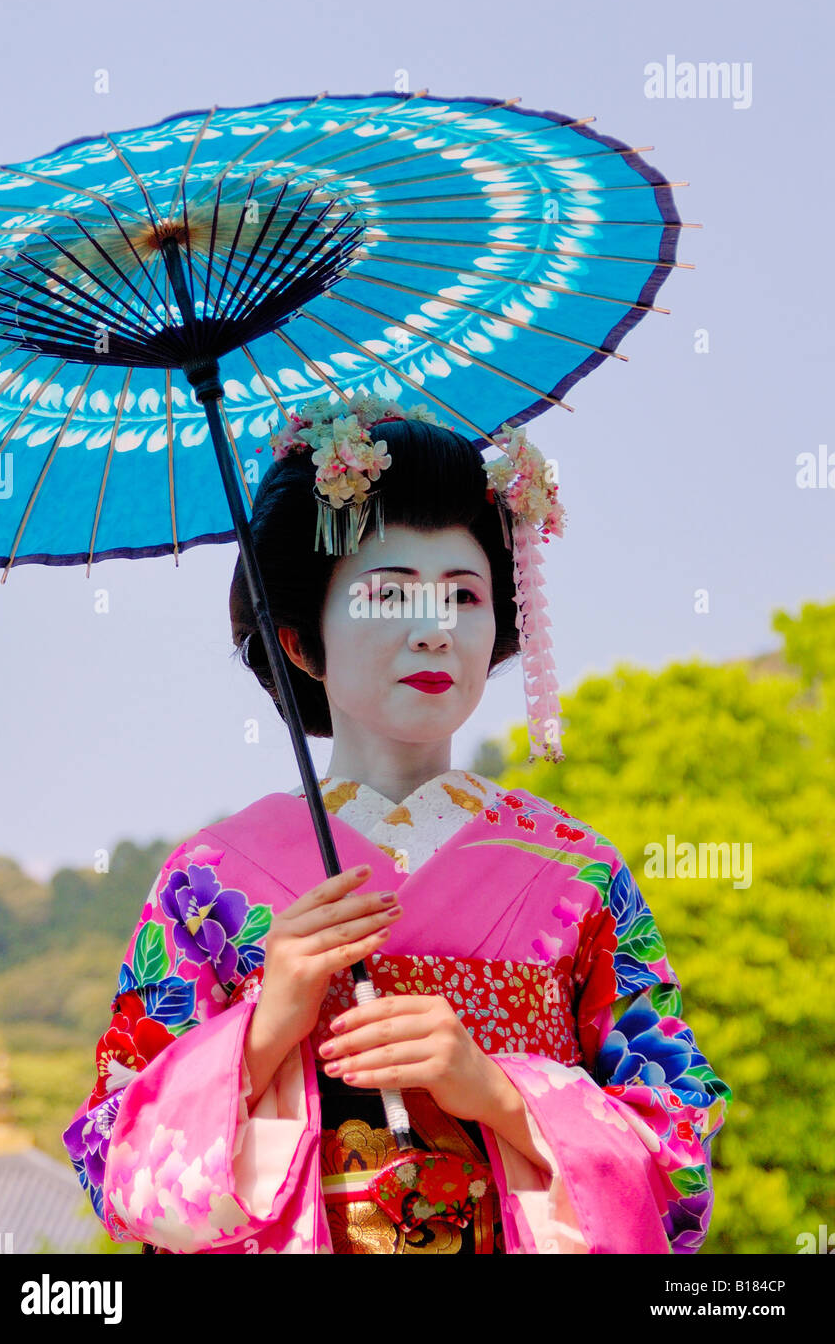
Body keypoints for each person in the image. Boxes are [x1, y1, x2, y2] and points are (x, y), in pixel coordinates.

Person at [63, 396, 731, 1255]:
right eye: (387, 596)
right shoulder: (210, 881)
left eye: (465, 592)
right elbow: (111, 1152)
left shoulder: (577, 870)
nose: (435, 629)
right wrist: (268, 1028)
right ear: (300, 642)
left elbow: (675, 1155)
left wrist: (495, 1093)